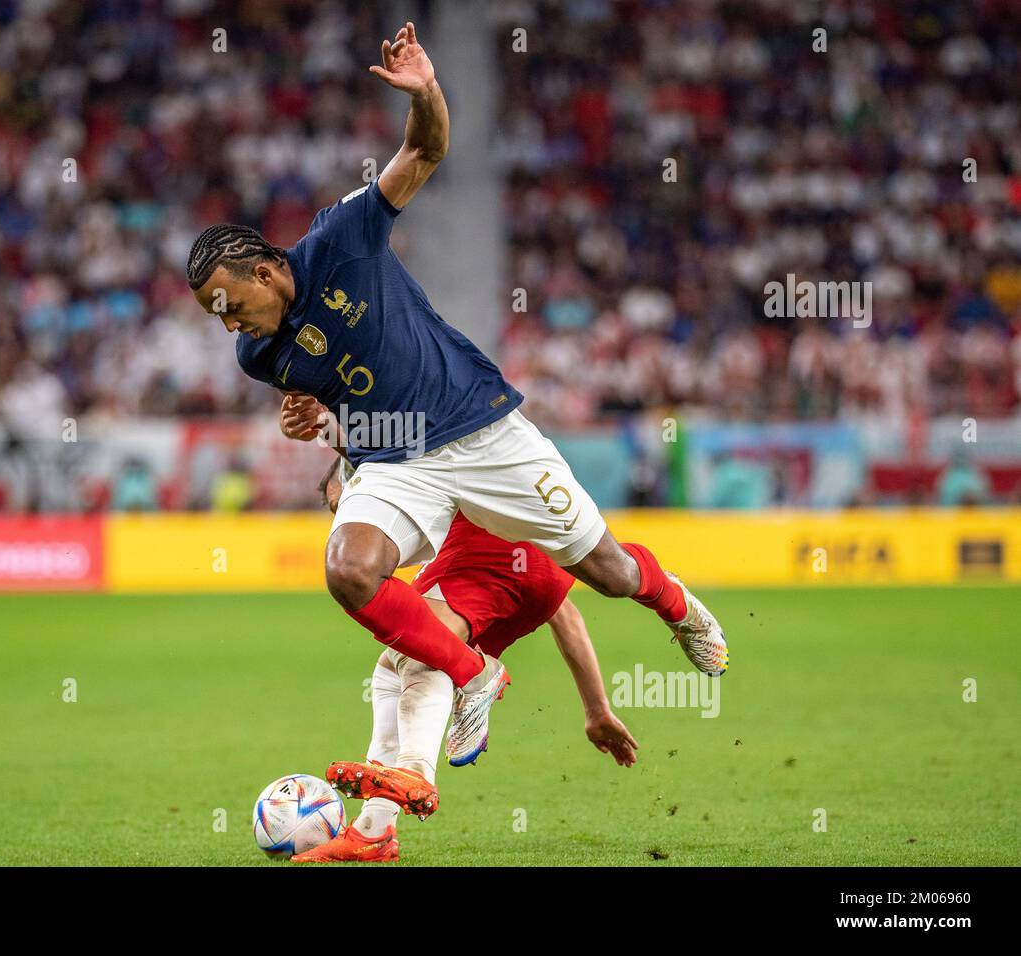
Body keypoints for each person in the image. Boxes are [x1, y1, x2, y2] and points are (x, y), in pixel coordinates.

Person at [187, 21, 726, 769]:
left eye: (233, 305)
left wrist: (426, 92)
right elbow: (339, 397)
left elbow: (425, 150)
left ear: (269, 272)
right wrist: (315, 420)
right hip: (396, 461)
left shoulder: (343, 238)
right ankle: (473, 674)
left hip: (479, 429)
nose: (231, 327)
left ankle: (678, 607)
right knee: (348, 568)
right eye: (219, 318)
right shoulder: (260, 353)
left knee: (606, 572)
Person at [291, 459, 638, 863]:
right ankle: (375, 828)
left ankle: (417, 770)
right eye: (339, 512)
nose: (349, 522)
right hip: (533, 563)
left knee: (416, 652)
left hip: (509, 554)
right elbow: (564, 614)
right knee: (392, 666)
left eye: (347, 503)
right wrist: (596, 709)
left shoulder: (438, 499)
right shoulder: (441, 523)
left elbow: (372, 427)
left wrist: (320, 415)